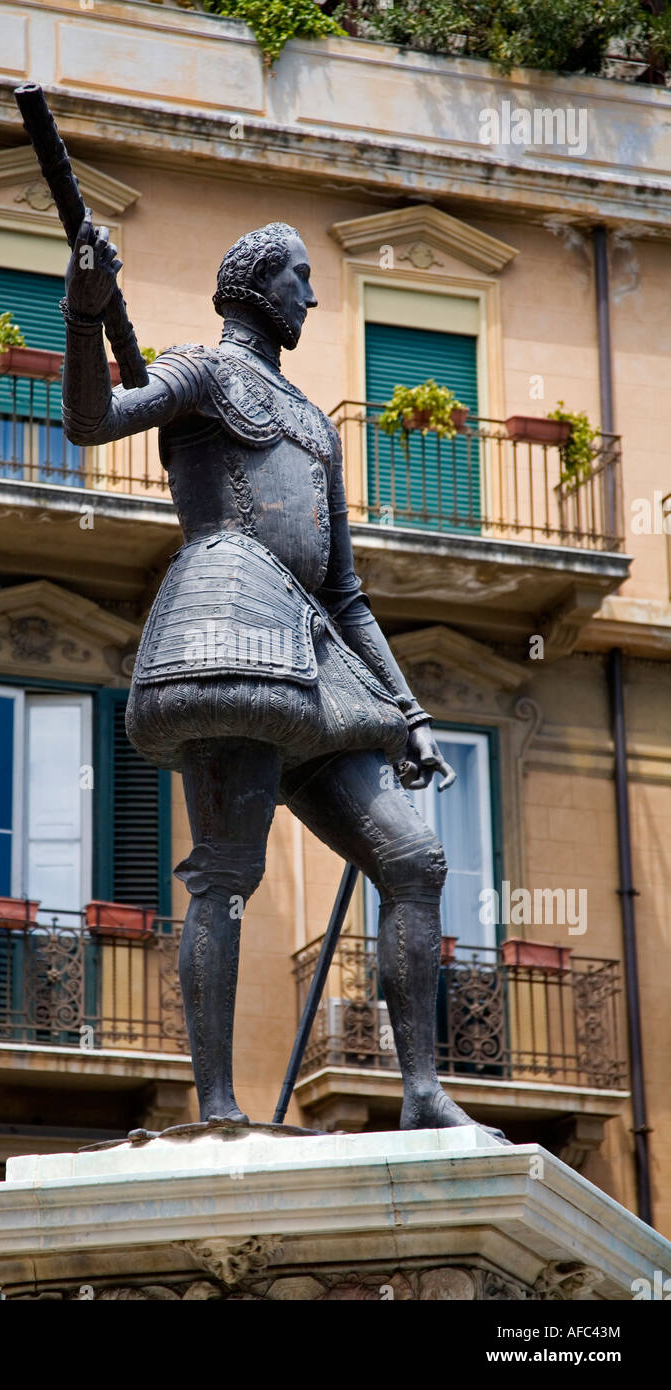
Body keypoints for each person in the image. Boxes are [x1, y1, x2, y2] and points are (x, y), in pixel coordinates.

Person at [62, 216, 504, 1140]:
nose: (312, 292)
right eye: (301, 276)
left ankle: (421, 1090)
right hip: (229, 635)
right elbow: (94, 418)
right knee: (226, 875)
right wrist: (81, 314)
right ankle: (218, 1103)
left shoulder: (312, 421)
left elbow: (343, 589)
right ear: (259, 286)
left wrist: (409, 713)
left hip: (317, 670)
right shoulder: (201, 371)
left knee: (414, 861)